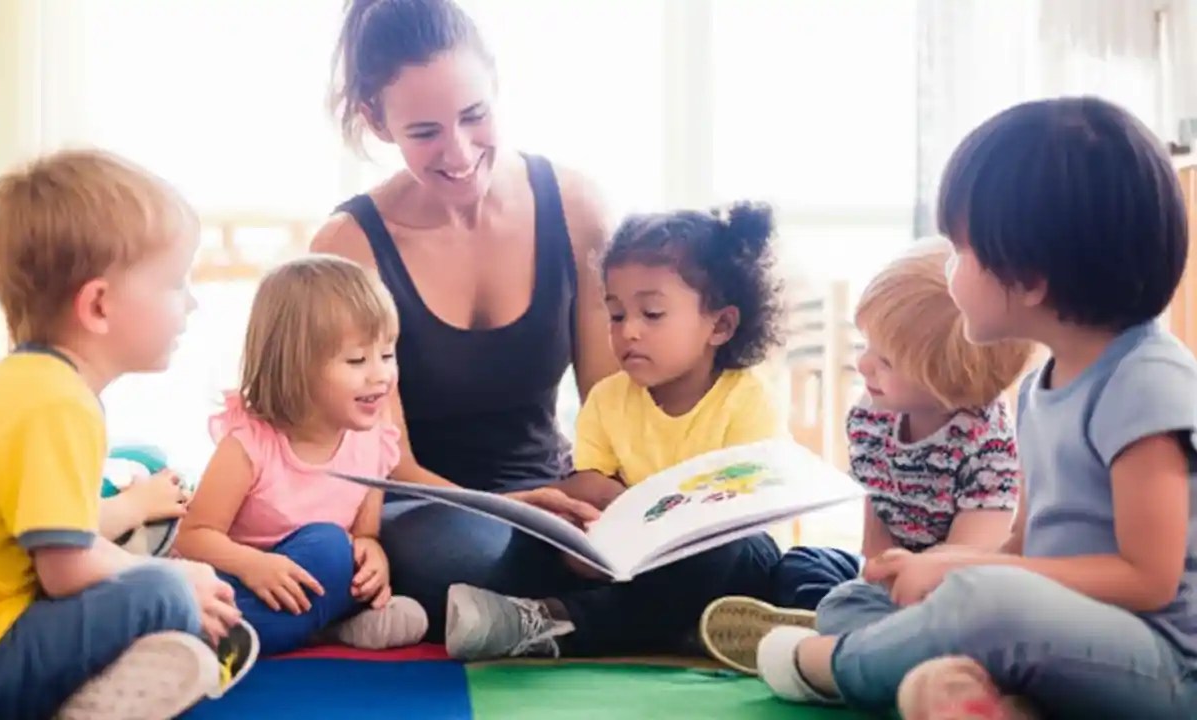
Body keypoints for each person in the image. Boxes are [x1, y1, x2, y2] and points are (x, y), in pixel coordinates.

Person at [752, 97, 1197, 719]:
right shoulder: (1043, 384)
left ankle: (828, 666)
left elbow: (1149, 578)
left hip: (1166, 663)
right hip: (1067, 639)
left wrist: (975, 582)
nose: (951, 269)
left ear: (1030, 277)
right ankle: (998, 700)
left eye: (960, 251)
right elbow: (1023, 544)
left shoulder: (1146, 380)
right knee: (860, 596)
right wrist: (940, 564)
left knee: (986, 606)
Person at [313, 0, 617, 635]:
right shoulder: (348, 247)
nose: (458, 151)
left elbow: (611, 404)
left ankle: (538, 621)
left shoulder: (576, 203)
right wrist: (508, 508)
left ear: (496, 86)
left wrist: (602, 488)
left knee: (709, 546)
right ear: (376, 119)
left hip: (553, 488)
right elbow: (383, 459)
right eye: (424, 132)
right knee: (462, 555)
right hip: (426, 504)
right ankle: (601, 609)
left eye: (474, 116)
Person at [0, 149, 255, 720]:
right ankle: (85, 701)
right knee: (164, 592)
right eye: (176, 283)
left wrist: (129, 510)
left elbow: (52, 528)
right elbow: (66, 567)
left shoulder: (32, 385)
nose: (191, 303)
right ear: (98, 304)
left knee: (141, 508)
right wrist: (176, 575)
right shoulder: (55, 402)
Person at [443, 201, 858, 660]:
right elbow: (589, 486)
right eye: (617, 315)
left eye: (652, 314)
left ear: (720, 325)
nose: (629, 332)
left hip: (720, 557)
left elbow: (744, 508)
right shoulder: (608, 398)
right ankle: (523, 611)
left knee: (726, 556)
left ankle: (557, 624)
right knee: (539, 531)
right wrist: (581, 525)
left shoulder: (747, 397)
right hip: (624, 556)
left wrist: (636, 517)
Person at [699, 240, 1032, 674]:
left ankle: (851, 641)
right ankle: (845, 633)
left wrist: (904, 580)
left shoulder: (987, 442)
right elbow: (875, 526)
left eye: (886, 360)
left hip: (949, 585)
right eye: (866, 344)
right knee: (803, 565)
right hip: (889, 579)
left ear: (949, 380)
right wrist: (875, 574)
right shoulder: (871, 417)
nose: (863, 364)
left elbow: (970, 552)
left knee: (863, 605)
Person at [174, 255, 429, 656]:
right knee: (327, 546)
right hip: (242, 577)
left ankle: (296, 630)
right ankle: (211, 635)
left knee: (337, 554)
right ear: (296, 368)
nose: (380, 375)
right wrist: (252, 565)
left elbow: (364, 531)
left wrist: (371, 552)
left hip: (308, 580)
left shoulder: (374, 437)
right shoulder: (249, 444)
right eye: (357, 360)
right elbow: (192, 537)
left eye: (388, 355)